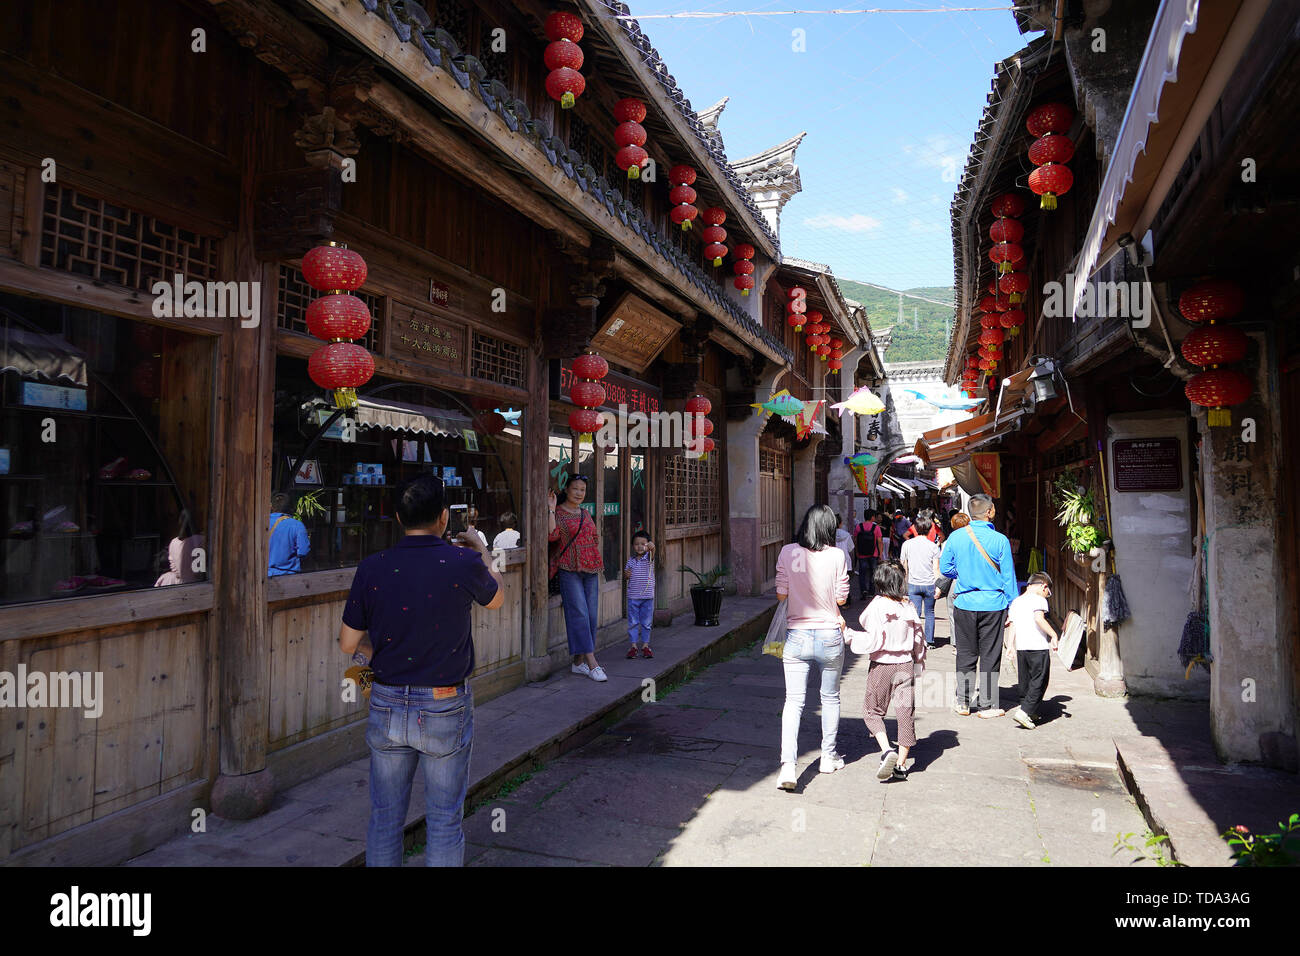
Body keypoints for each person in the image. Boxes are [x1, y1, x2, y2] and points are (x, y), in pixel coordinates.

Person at [338, 474, 504, 867]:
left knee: (384, 819)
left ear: (398, 517)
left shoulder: (373, 567)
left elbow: (348, 644)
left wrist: (373, 648)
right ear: (444, 518)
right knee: (445, 820)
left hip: (387, 700)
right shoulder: (462, 562)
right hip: (446, 703)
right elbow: (496, 599)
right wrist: (481, 548)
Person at [775, 504, 850, 791]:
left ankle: (788, 767)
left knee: (793, 702)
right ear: (829, 528)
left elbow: (781, 594)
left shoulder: (787, 552)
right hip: (830, 634)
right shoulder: (836, 555)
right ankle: (828, 757)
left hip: (796, 635)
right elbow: (842, 599)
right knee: (830, 698)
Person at [847, 560, 927, 781]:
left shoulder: (878, 604)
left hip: (882, 665)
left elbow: (871, 637)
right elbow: (919, 639)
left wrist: (848, 634)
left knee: (872, 711)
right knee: (905, 714)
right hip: (906, 664)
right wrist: (919, 663)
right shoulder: (908, 606)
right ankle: (901, 764)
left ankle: (886, 750)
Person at [939, 494, 1018, 718]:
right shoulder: (1000, 540)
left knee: (965, 654)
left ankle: (963, 701)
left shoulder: (956, 538)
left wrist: (962, 574)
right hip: (993, 604)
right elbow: (1008, 577)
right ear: (990, 511)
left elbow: (945, 569)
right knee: (990, 655)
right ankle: (987, 704)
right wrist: (1013, 605)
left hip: (964, 602)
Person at [548, 475, 607, 682]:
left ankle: (577, 663)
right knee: (579, 613)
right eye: (575, 489)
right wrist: (551, 509)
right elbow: (552, 536)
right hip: (569, 568)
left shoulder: (585, 513)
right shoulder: (560, 513)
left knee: (591, 615)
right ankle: (592, 662)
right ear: (567, 489)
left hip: (591, 569)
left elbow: (594, 537)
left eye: (582, 490)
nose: (579, 493)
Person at [1007, 572, 1058, 730]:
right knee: (1039, 680)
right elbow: (1039, 619)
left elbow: (1013, 624)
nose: (1047, 594)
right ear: (1044, 586)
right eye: (1048, 591)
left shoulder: (1017, 601)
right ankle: (1025, 712)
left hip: (1022, 646)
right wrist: (1053, 634)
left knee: (1025, 681)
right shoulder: (1039, 599)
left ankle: (1028, 709)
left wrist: (1010, 645)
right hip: (1038, 646)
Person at [900, 515, 942, 648]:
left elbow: (904, 565)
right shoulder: (933, 546)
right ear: (930, 529)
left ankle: (914, 640)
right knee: (930, 612)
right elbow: (936, 568)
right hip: (929, 583)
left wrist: (904, 583)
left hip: (913, 583)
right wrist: (938, 586)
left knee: (914, 612)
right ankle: (929, 641)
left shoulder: (907, 544)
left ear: (915, 529)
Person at [623, 530, 656, 659]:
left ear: (647, 545)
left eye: (643, 543)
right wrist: (627, 575)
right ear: (633, 546)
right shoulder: (630, 561)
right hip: (633, 597)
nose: (640, 546)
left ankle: (645, 646)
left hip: (647, 596)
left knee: (646, 623)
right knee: (633, 622)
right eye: (636, 544)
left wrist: (651, 546)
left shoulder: (649, 558)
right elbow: (626, 575)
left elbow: (653, 550)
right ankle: (633, 646)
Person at [268, 492, 310, 576]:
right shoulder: (297, 525)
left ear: (271, 507)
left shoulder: (260, 523)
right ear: (291, 508)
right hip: (289, 576)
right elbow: (303, 551)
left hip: (263, 577)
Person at [853, 509, 883, 601]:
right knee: (873, 573)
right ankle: (871, 591)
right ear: (872, 517)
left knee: (862, 573)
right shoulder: (876, 528)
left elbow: (855, 540)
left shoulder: (859, 527)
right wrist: (880, 554)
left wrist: (857, 552)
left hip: (862, 554)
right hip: (873, 554)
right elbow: (879, 542)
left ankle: (863, 591)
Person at [834, 513, 856, 604]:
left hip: (833, 561)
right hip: (845, 561)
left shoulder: (828, 535)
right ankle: (846, 600)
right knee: (844, 581)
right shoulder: (847, 535)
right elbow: (851, 550)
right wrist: (854, 563)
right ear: (840, 523)